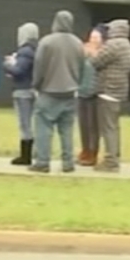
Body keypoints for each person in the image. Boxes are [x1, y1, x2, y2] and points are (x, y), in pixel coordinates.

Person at [30, 10, 84, 173]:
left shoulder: (47, 42)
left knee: (43, 127)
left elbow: (39, 67)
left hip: (49, 91)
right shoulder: (78, 43)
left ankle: (42, 161)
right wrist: (76, 84)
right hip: (69, 92)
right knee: (67, 129)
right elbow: (82, 68)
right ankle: (68, 163)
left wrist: (36, 85)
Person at [91, 19, 130, 171]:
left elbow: (95, 62)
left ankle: (111, 161)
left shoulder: (113, 44)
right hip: (119, 91)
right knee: (114, 127)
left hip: (108, 90)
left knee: (108, 128)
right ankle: (114, 156)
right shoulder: (127, 45)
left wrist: (94, 50)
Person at [3, 22, 39, 165]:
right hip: (31, 89)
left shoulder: (25, 51)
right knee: (31, 122)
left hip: (22, 91)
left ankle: (26, 156)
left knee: (24, 123)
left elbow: (19, 71)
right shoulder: (36, 50)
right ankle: (31, 153)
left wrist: (7, 65)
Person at [76, 27, 101, 166]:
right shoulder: (84, 52)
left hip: (94, 93)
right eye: (92, 37)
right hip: (82, 91)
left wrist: (94, 55)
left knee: (93, 126)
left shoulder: (102, 53)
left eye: (96, 38)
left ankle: (93, 152)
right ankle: (84, 150)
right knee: (83, 124)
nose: (93, 40)